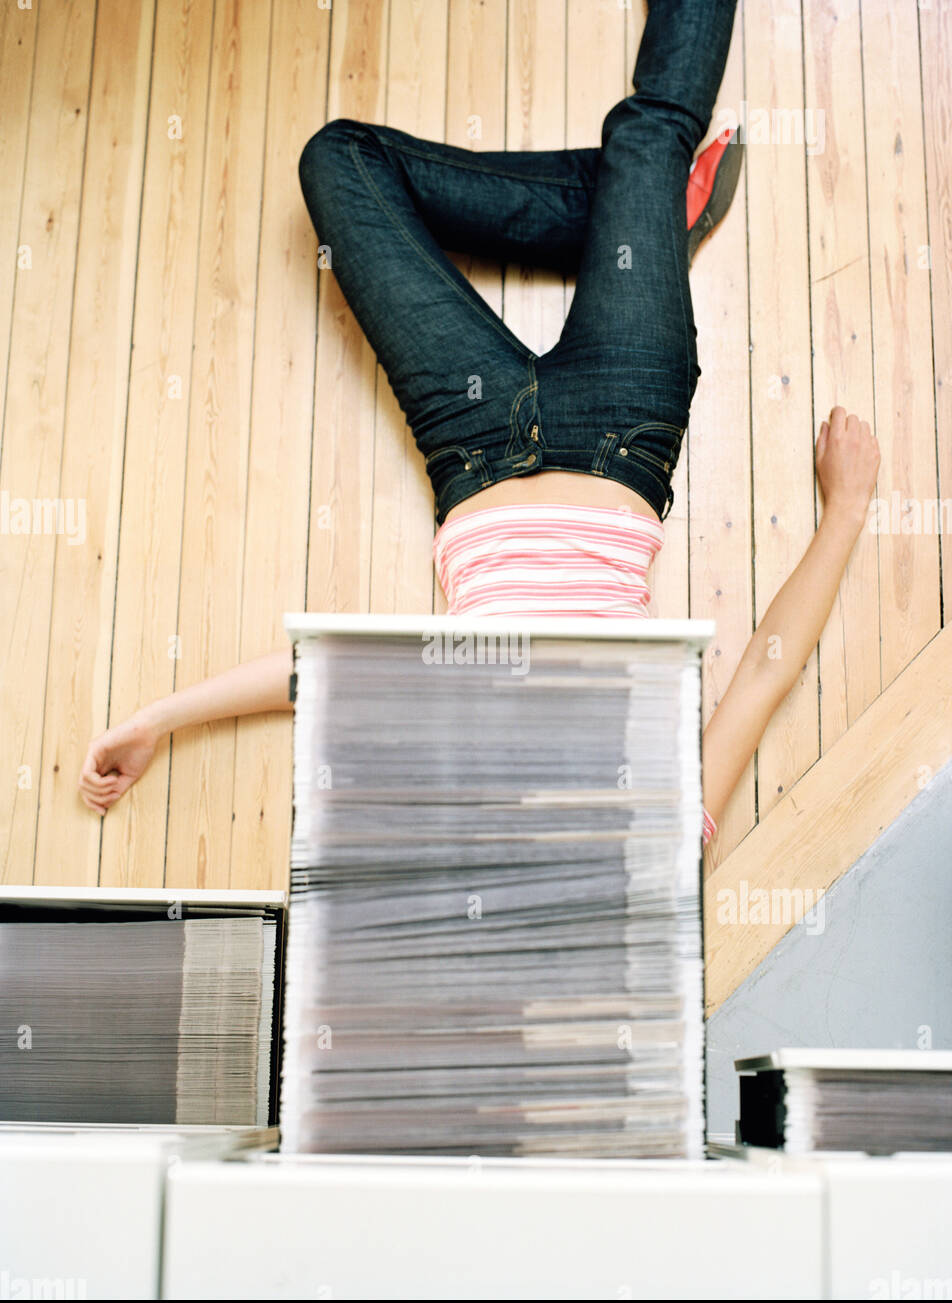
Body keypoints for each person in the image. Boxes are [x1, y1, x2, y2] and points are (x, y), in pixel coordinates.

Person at [80, 0, 880, 851]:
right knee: (651, 132)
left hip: (471, 440)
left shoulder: (447, 807)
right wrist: (847, 510)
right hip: (624, 427)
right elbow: (765, 670)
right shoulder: (659, 842)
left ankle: (636, 206)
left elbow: (320, 674)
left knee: (342, 160)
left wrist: (155, 718)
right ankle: (642, 192)